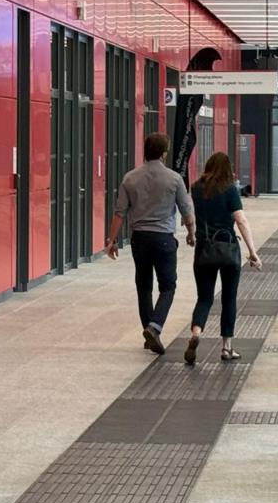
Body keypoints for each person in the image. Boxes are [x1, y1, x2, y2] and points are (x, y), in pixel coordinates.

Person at [106, 134, 195, 355]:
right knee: (168, 286)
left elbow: (119, 212)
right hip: (164, 238)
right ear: (164, 152)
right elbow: (187, 211)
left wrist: (112, 240)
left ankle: (148, 331)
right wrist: (191, 233)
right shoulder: (174, 179)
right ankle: (154, 327)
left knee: (143, 286)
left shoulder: (130, 178)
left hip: (140, 239)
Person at [183, 153, 262, 365]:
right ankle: (227, 348)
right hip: (227, 249)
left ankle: (196, 333)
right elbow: (241, 220)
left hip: (204, 249)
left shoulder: (196, 188)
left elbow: (191, 214)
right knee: (229, 298)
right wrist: (252, 252)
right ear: (227, 169)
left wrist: (191, 234)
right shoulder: (230, 190)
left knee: (205, 297)